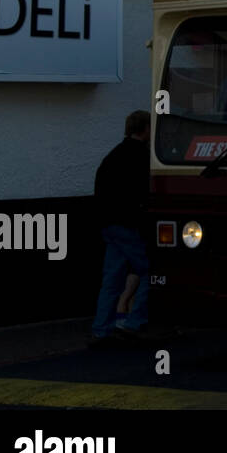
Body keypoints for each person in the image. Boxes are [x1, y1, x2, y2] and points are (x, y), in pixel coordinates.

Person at [89, 110, 152, 347]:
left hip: (108, 224)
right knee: (149, 271)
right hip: (129, 224)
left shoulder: (112, 156)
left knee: (112, 277)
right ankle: (134, 322)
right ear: (145, 129)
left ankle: (101, 329)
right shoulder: (142, 157)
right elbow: (143, 194)